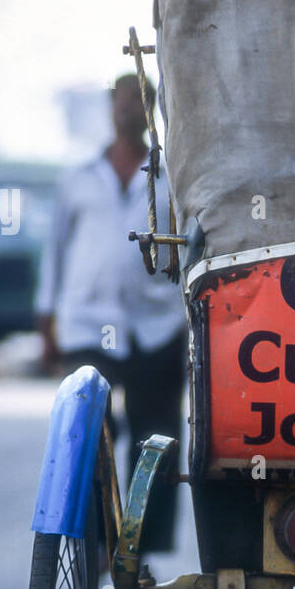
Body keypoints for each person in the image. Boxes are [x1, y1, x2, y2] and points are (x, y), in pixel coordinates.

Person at [36, 74, 188, 552]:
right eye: (122, 102)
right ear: (110, 107)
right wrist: (47, 323)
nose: (130, 111)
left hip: (157, 325)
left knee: (156, 437)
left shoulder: (170, 179)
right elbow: (55, 254)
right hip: (87, 323)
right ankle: (96, 542)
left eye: (140, 103)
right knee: (90, 431)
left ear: (153, 110)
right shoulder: (78, 179)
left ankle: (141, 549)